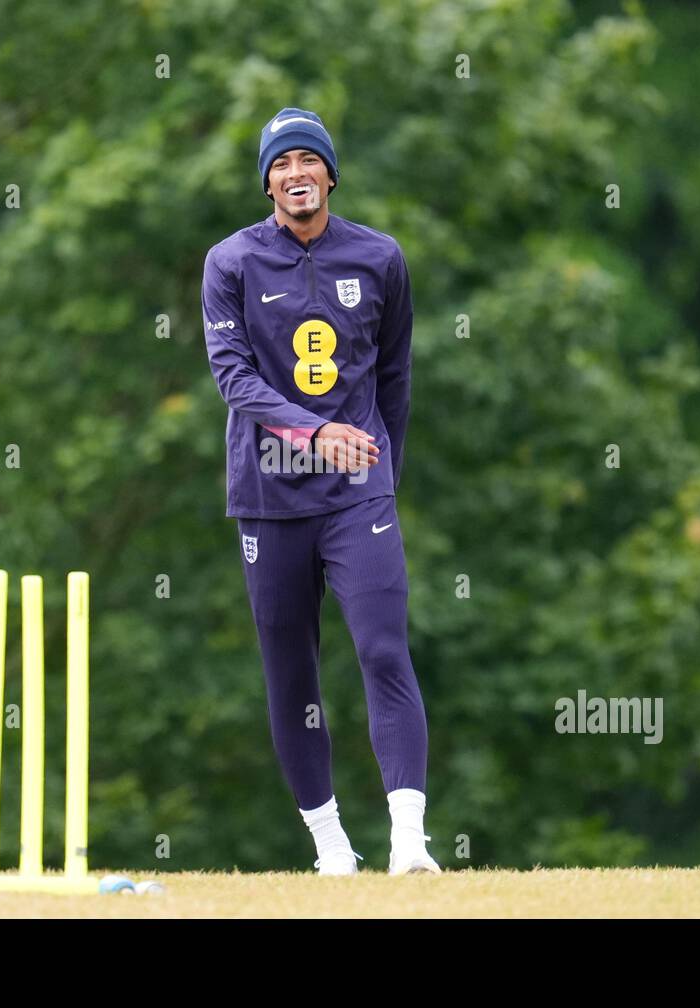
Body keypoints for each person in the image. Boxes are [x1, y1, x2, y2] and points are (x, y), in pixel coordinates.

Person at [201, 107, 440, 875]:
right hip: (269, 497)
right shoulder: (230, 262)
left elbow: (395, 378)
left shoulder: (380, 257)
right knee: (290, 670)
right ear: (267, 181)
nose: (295, 174)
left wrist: (381, 476)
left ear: (330, 173)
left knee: (381, 648)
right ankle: (332, 848)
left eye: (308, 160)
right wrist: (311, 433)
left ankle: (409, 843)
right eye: (281, 164)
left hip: (356, 494)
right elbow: (234, 380)